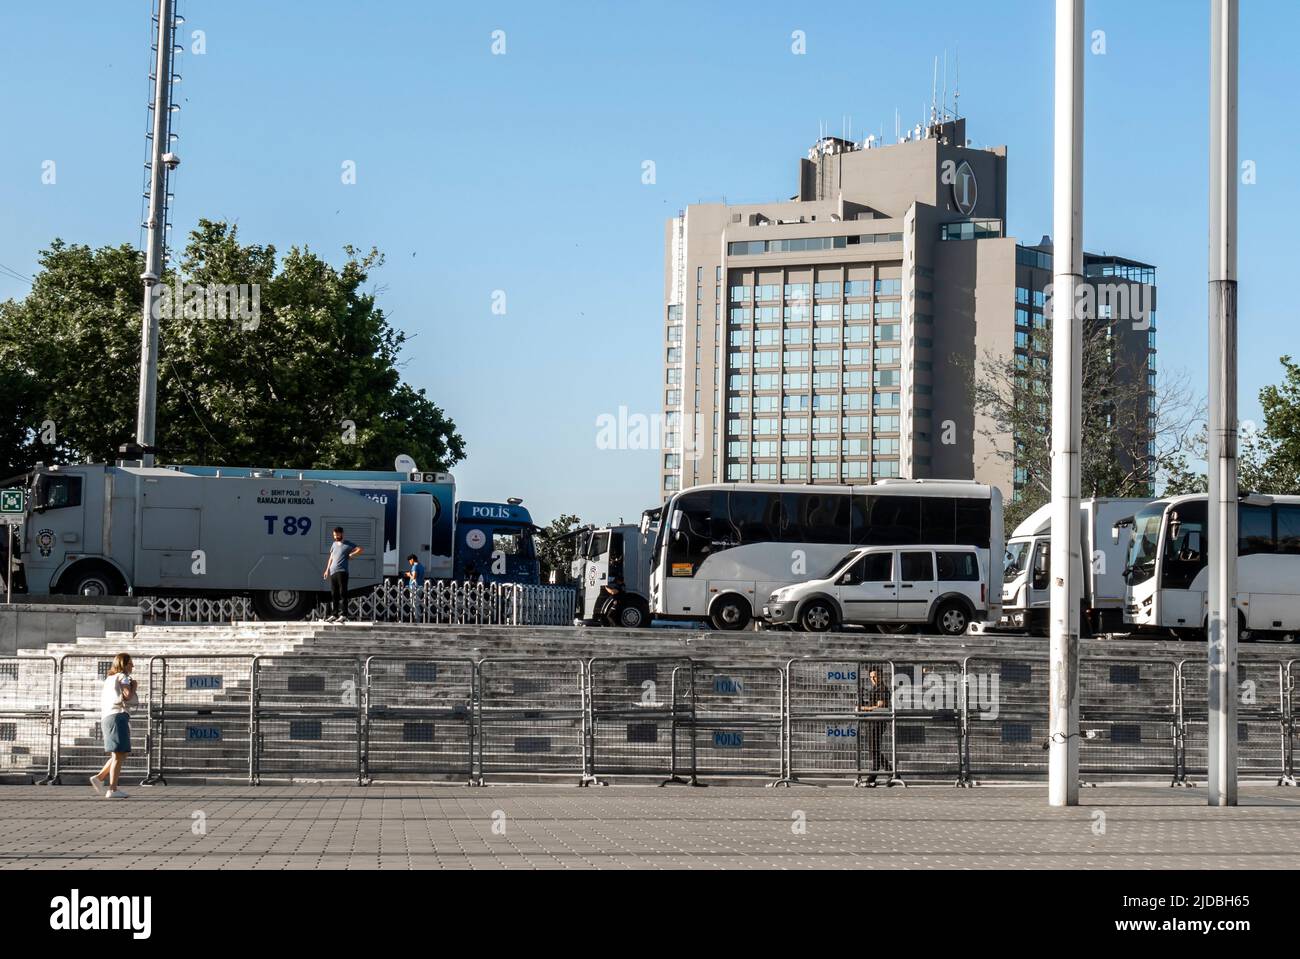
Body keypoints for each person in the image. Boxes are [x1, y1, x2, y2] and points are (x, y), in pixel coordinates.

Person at [90, 653, 136, 799]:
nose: (132, 666)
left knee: (120, 753)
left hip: (108, 717)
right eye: (130, 663)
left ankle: (100, 777)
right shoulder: (123, 676)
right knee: (118, 754)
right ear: (123, 664)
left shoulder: (109, 679)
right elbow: (128, 695)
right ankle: (113, 789)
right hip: (118, 715)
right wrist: (134, 686)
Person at [856, 665, 890, 787]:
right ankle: (891, 773)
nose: (873, 679)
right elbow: (873, 704)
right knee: (874, 750)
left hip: (877, 722)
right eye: (871, 677)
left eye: (875, 676)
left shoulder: (882, 689)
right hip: (872, 723)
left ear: (881, 676)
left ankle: (873, 776)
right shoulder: (876, 688)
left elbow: (880, 706)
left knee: (874, 750)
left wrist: (863, 708)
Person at [322, 527, 363, 623]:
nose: (336, 537)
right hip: (333, 571)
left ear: (342, 534)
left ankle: (344, 614)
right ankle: (334, 614)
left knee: (343, 593)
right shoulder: (334, 544)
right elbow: (331, 558)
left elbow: (360, 549)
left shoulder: (347, 544)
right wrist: (327, 570)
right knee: (334, 594)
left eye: (337, 535)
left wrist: (352, 554)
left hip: (342, 571)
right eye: (334, 535)